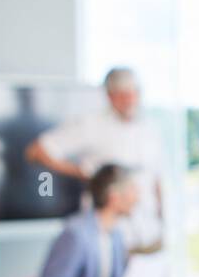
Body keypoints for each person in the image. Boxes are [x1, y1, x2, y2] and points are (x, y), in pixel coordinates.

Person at [26, 67, 164, 251]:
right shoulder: (92, 125)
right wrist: (85, 173)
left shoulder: (150, 128)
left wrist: (164, 224)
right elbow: (36, 151)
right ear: (110, 96)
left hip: (149, 234)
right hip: (108, 236)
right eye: (122, 95)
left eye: (134, 93)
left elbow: (157, 179)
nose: (130, 100)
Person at [31, 165, 137, 277]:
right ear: (114, 196)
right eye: (132, 189)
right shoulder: (76, 236)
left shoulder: (115, 235)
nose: (137, 196)